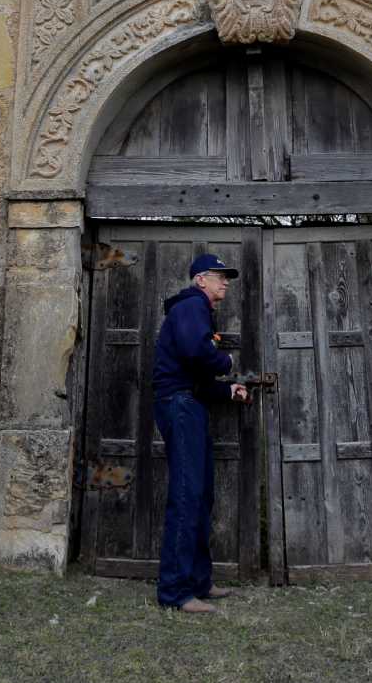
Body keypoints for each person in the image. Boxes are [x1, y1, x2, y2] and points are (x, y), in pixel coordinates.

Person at [151, 251, 249, 613]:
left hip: (188, 403)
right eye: (218, 275)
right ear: (200, 280)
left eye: (227, 277)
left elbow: (195, 376)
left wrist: (227, 389)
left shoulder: (197, 311)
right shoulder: (192, 306)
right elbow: (196, 353)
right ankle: (175, 593)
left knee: (201, 494)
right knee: (187, 495)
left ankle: (198, 583)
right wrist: (226, 361)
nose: (225, 281)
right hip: (179, 407)